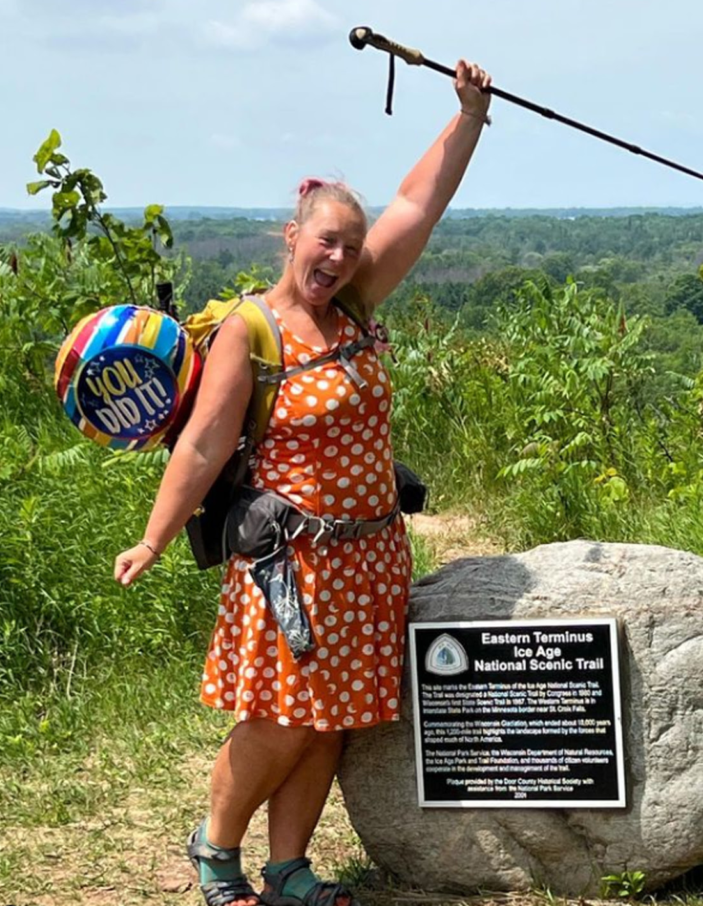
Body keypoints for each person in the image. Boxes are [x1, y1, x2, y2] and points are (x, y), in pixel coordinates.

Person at [114, 58, 492, 906]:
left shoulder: (356, 303)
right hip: (292, 562)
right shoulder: (249, 331)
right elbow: (205, 446)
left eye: (351, 246)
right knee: (283, 717)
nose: (340, 255)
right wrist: (152, 536)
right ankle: (216, 851)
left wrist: (468, 116)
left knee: (334, 722)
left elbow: (419, 204)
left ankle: (288, 871)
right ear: (292, 236)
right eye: (326, 240)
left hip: (370, 557)